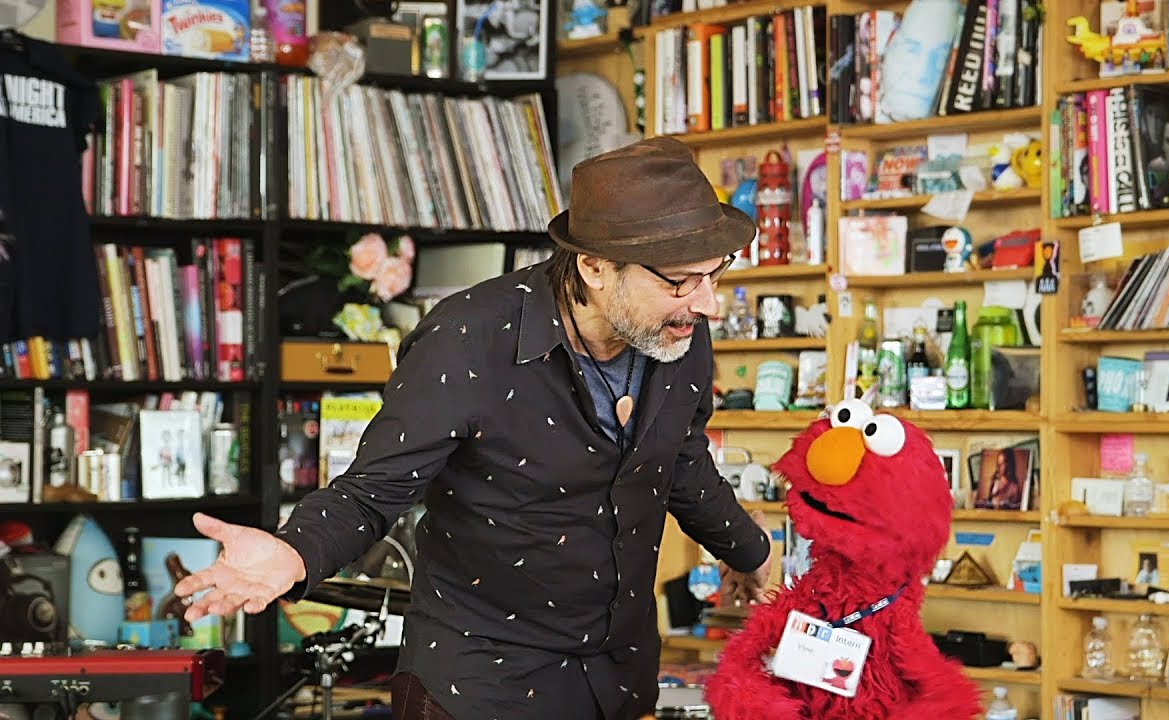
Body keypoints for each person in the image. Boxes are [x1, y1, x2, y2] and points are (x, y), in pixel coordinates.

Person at [173, 137, 774, 720]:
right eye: (680, 280)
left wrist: (753, 555)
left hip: (620, 679)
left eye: (714, 274)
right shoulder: (468, 339)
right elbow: (371, 492)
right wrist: (292, 550)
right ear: (594, 265)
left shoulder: (677, 334)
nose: (708, 303)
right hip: (483, 688)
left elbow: (681, 460)